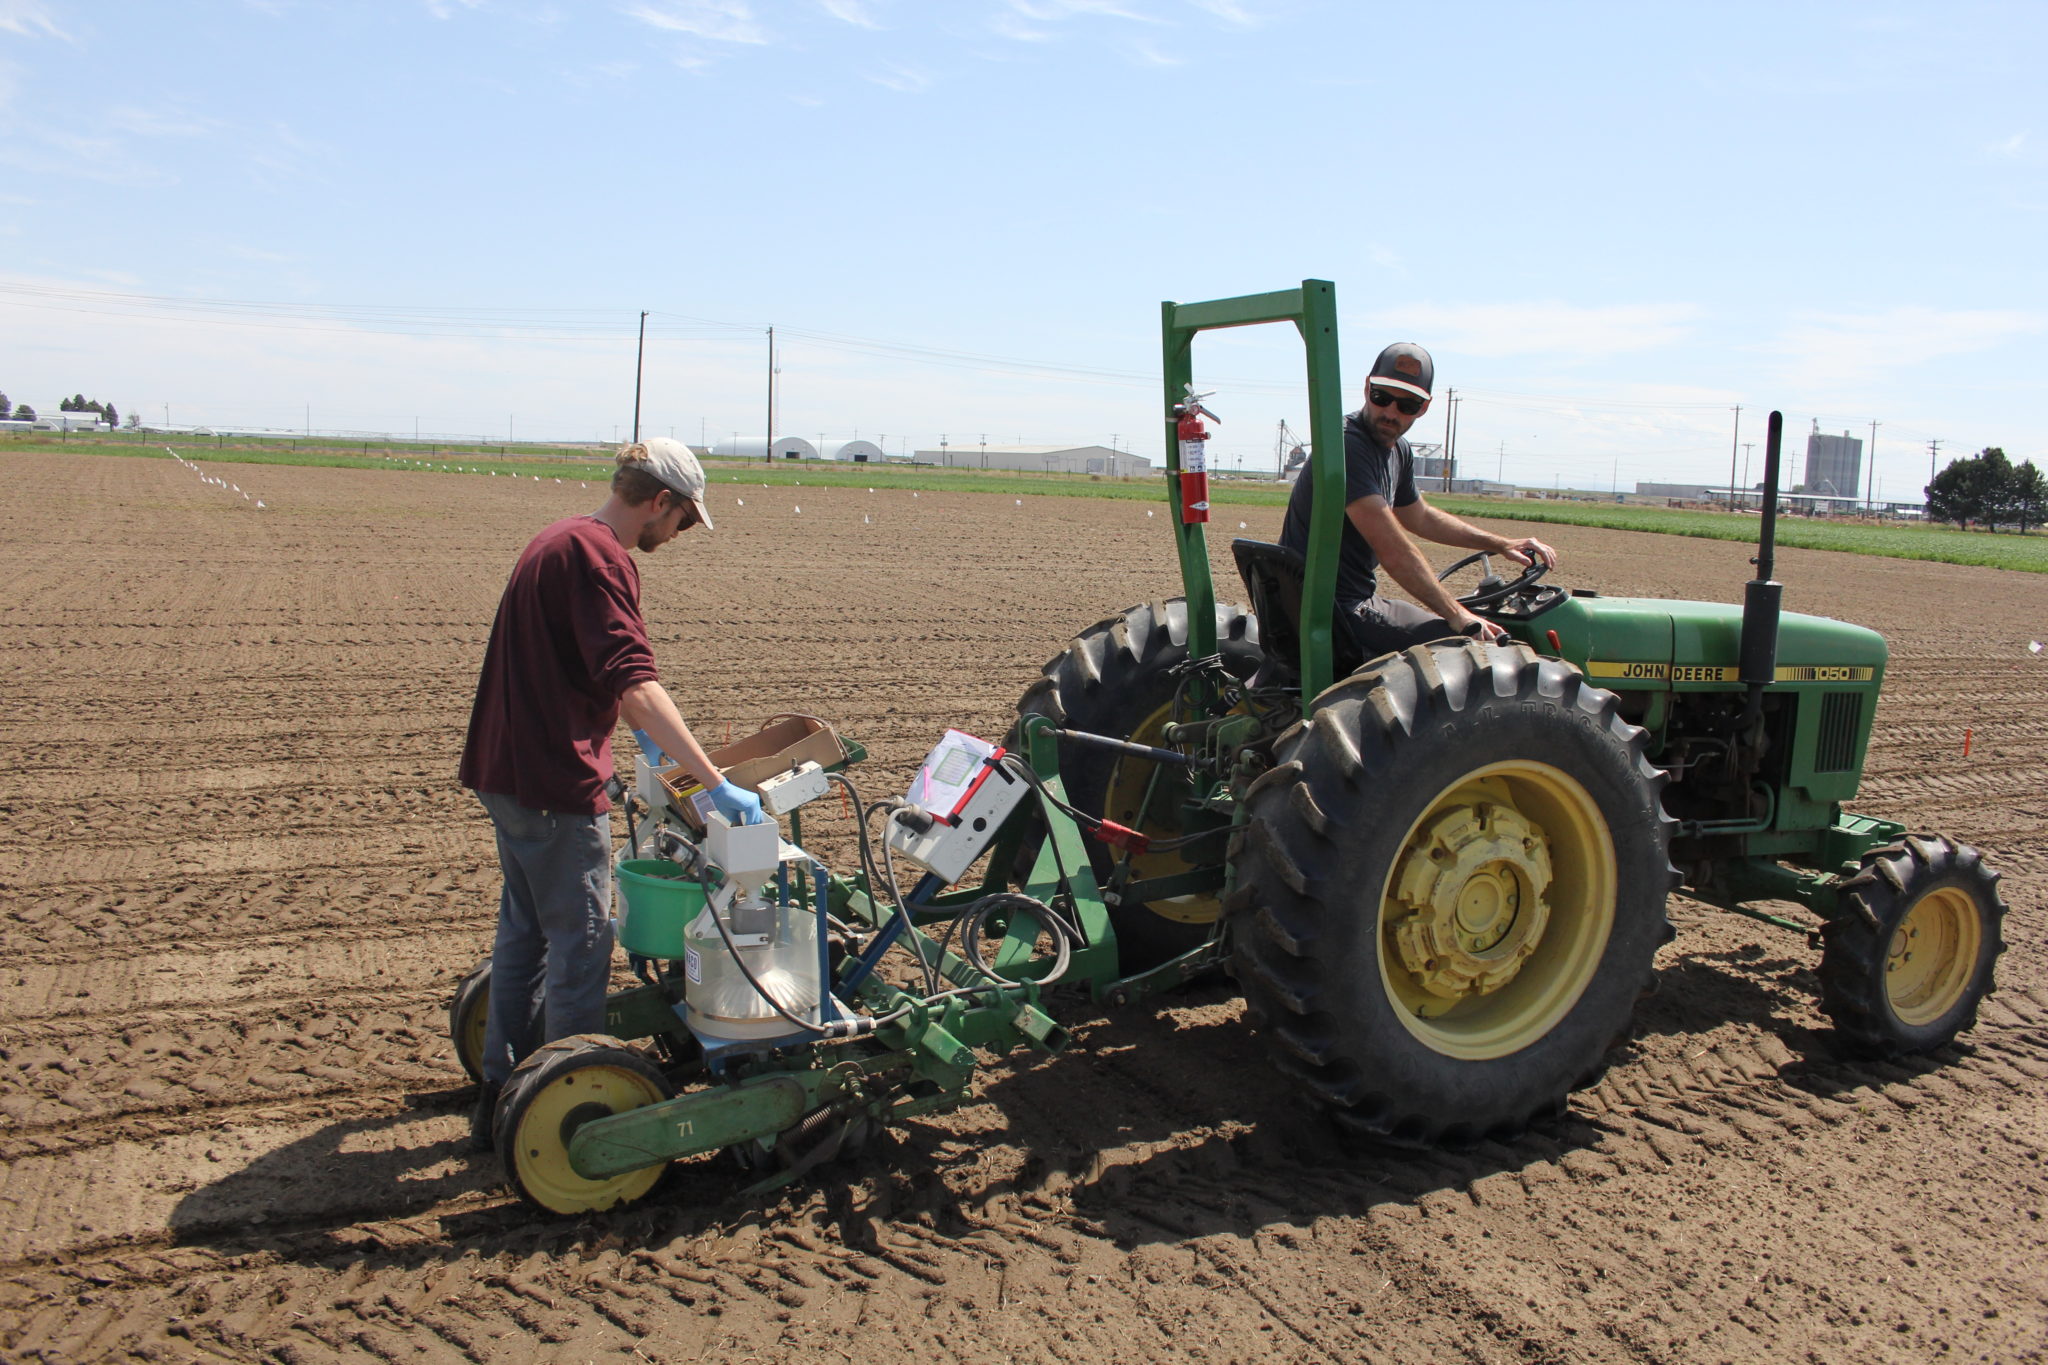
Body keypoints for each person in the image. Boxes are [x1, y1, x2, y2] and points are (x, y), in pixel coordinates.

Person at [458, 437, 765, 1151]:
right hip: (551, 786)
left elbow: (595, 676)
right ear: (659, 501)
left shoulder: (558, 538)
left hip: (505, 772)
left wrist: (656, 745)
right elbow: (633, 681)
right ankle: (560, 1110)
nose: (679, 535)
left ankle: (499, 1091)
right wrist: (716, 786)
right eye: (684, 520)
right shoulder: (603, 559)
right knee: (582, 945)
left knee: (525, 934)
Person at [1278, 342, 1558, 656]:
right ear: (1368, 388)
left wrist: (1500, 543)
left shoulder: (1399, 450)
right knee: (1465, 650)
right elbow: (1394, 550)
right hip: (1334, 611)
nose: (1390, 412)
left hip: (1339, 603)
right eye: (1382, 397)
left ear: (1423, 408)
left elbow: (1419, 517)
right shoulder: (1347, 446)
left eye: (1407, 405)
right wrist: (1456, 614)